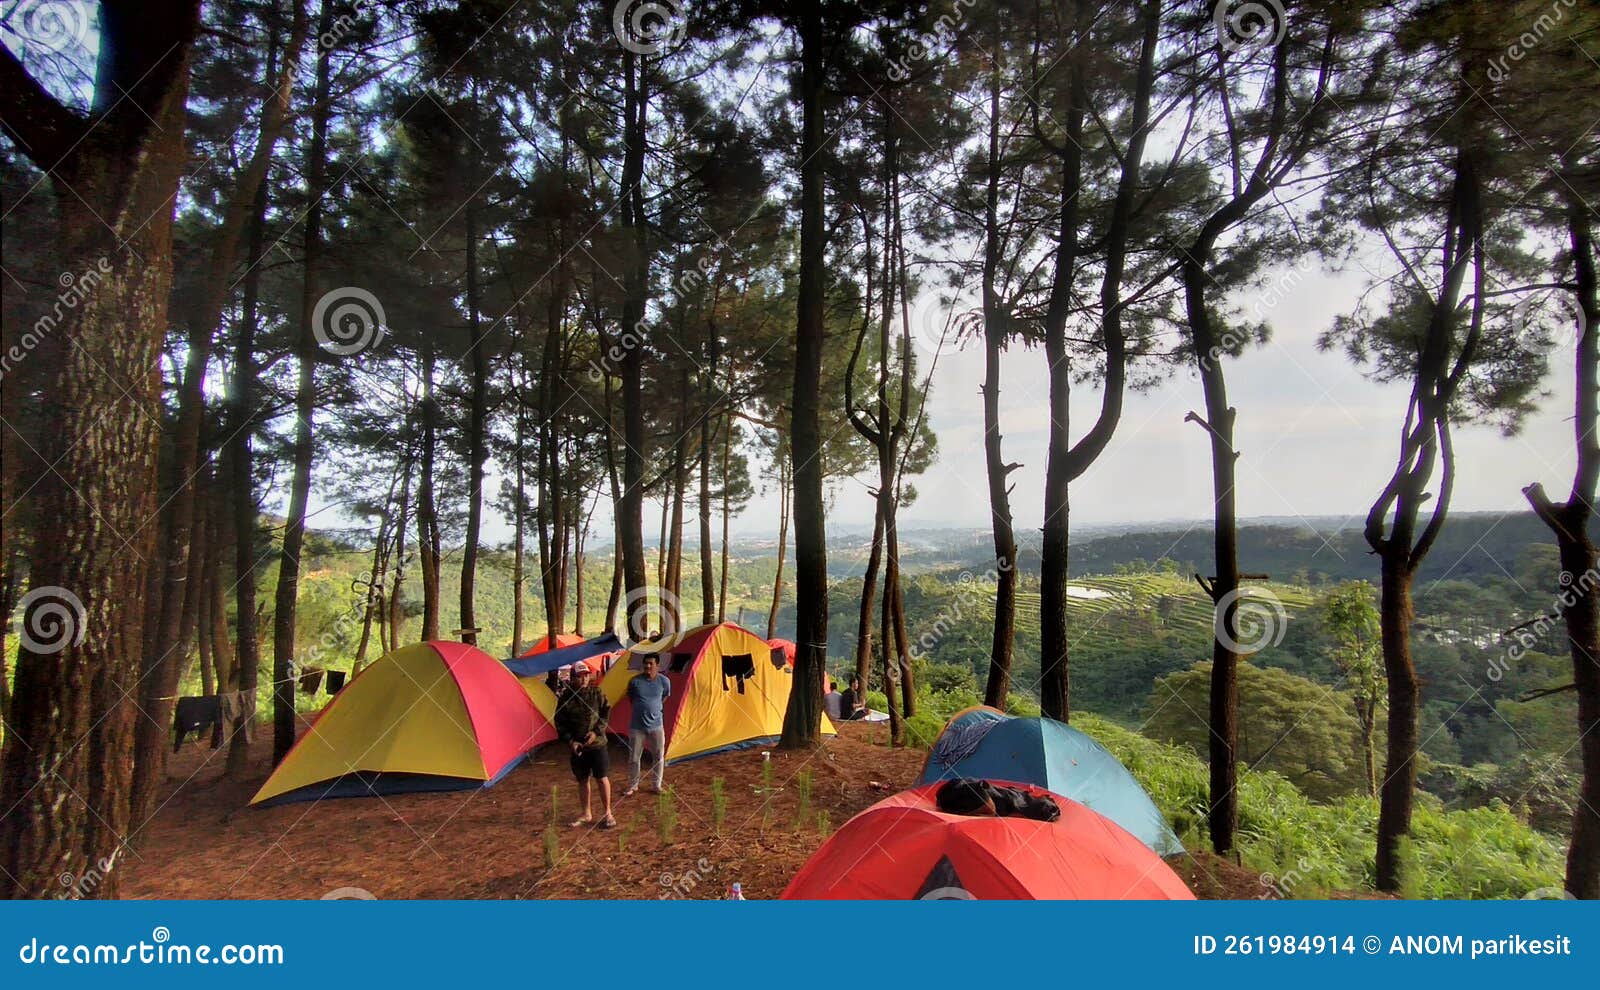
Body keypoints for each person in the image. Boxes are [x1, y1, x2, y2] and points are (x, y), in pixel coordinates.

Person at [554, 664, 614, 828]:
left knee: (601, 778)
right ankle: (586, 813)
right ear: (573, 678)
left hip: (597, 744)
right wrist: (570, 741)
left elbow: (606, 713)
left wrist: (596, 732)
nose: (584, 679)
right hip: (578, 747)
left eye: (586, 675)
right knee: (582, 780)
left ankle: (608, 813)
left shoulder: (596, 693)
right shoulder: (565, 698)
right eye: (580, 676)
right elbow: (560, 723)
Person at [622, 655, 672, 796]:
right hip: (637, 726)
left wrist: (654, 708)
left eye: (651, 664)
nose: (647, 666)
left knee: (658, 756)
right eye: (645, 664)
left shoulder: (664, 681)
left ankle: (657, 785)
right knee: (634, 757)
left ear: (658, 666)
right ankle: (633, 785)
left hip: (656, 726)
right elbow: (631, 698)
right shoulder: (635, 682)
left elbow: (665, 696)